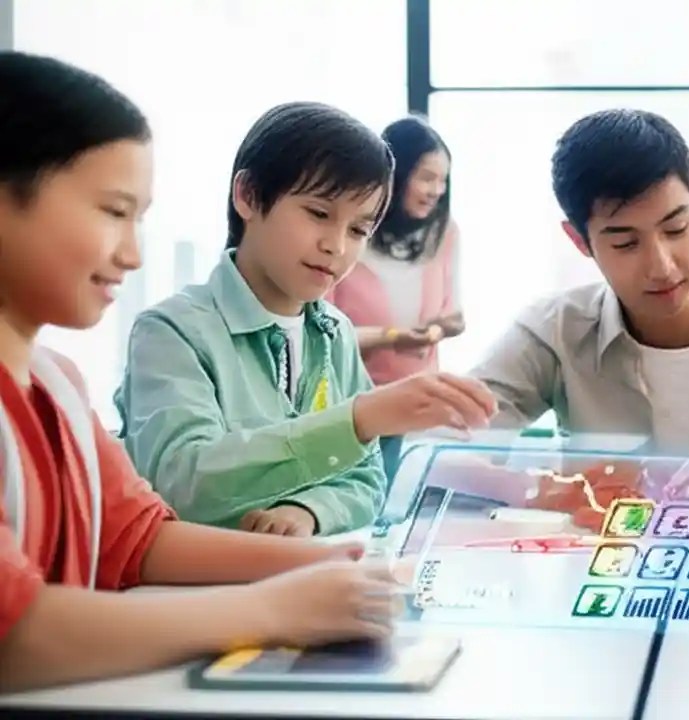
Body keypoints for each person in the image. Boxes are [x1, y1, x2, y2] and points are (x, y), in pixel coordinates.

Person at [0, 51, 400, 693]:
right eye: (111, 211)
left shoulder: (57, 383)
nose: (132, 254)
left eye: (139, 219)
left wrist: (329, 561)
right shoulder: (171, 330)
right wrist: (270, 607)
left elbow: (139, 539)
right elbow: (13, 634)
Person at [115, 102, 495, 537]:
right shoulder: (172, 332)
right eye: (318, 214)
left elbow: (367, 479)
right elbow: (183, 481)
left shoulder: (333, 334)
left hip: (305, 583)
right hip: (196, 595)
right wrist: (356, 419)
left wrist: (308, 511)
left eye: (358, 231)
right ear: (249, 195)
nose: (336, 246)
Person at [470, 108, 689, 463]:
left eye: (676, 229)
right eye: (626, 243)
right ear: (580, 241)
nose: (662, 266)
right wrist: (542, 489)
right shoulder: (554, 332)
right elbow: (448, 442)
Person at [328, 116, 464, 478]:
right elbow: (322, 335)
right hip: (355, 411)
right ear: (396, 175)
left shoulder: (444, 233)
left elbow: (454, 315)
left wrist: (436, 330)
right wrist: (394, 337)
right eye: (427, 177)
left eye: (443, 179)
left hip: (422, 412)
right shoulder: (348, 239)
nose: (437, 190)